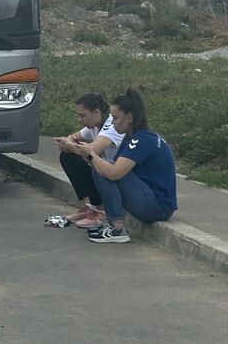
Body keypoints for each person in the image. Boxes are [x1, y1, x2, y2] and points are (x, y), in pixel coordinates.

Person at [71, 88, 178, 245]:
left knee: (105, 167)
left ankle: (117, 227)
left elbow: (114, 174)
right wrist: (91, 157)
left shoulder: (143, 140)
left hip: (157, 206)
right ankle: (113, 222)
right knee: (101, 166)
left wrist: (90, 154)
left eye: (115, 118)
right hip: (149, 197)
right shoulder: (132, 138)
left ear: (129, 117)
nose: (112, 123)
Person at [46, 93, 124, 229]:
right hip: (108, 173)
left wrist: (71, 145)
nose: (79, 120)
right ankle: (90, 207)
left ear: (96, 113)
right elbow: (74, 137)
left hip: (119, 175)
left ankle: (100, 211)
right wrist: (68, 142)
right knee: (68, 156)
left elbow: (92, 150)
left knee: (91, 159)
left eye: (82, 115)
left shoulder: (111, 126)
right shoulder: (94, 125)